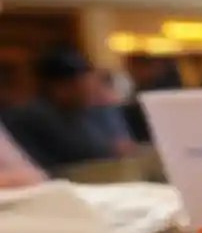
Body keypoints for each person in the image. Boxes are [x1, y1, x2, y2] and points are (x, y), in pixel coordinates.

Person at [3, 47, 135, 171]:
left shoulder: (77, 112)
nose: (89, 90)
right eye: (81, 84)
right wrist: (114, 149)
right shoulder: (34, 116)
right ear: (58, 88)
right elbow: (90, 154)